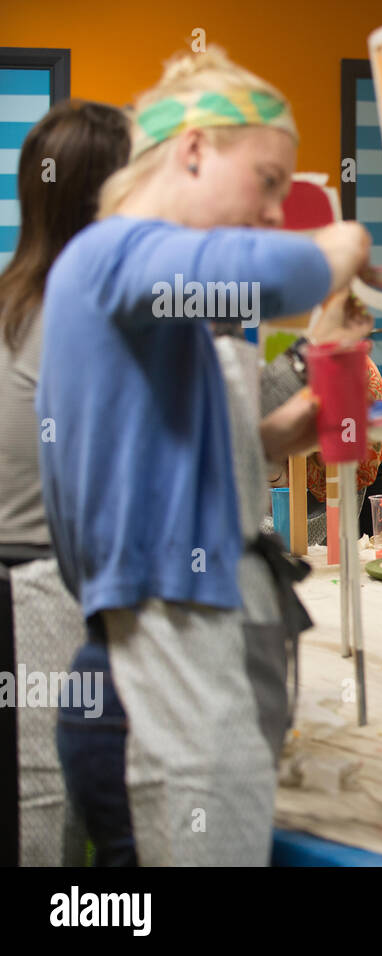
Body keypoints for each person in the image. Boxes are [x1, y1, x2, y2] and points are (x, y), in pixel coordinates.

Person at [37, 47, 372, 865]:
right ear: (192, 150)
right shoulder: (112, 254)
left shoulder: (151, 291)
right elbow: (268, 276)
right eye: (267, 181)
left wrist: (283, 429)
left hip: (184, 658)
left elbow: (163, 455)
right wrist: (342, 245)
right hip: (154, 678)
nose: (274, 212)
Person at [0, 99, 131, 867]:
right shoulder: (82, 316)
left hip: (32, 586)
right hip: (38, 600)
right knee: (46, 824)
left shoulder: (15, 297)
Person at [262, 290, 382, 544]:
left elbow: (355, 479)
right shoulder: (270, 379)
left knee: (372, 544)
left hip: (360, 454)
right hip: (293, 454)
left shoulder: (361, 383)